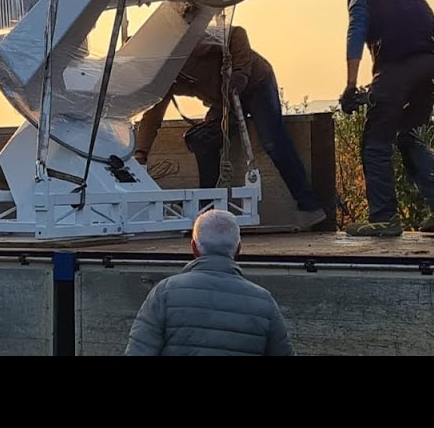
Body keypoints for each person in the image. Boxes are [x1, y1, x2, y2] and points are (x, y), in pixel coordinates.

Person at [135, 25, 333, 231]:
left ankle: (309, 206)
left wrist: (240, 73)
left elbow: (236, 33)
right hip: (225, 99)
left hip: (256, 83)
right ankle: (207, 210)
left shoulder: (189, 43)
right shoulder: (162, 79)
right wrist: (141, 154)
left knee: (272, 141)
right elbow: (152, 117)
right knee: (202, 140)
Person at [340, 0, 434, 237]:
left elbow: (355, 34)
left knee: (375, 143)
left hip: (398, 66)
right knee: (412, 136)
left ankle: (384, 218)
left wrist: (351, 85)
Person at [124, 209, 294, 356]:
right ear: (238, 249)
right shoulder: (263, 301)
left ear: (194, 247)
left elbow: (138, 351)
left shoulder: (164, 293)